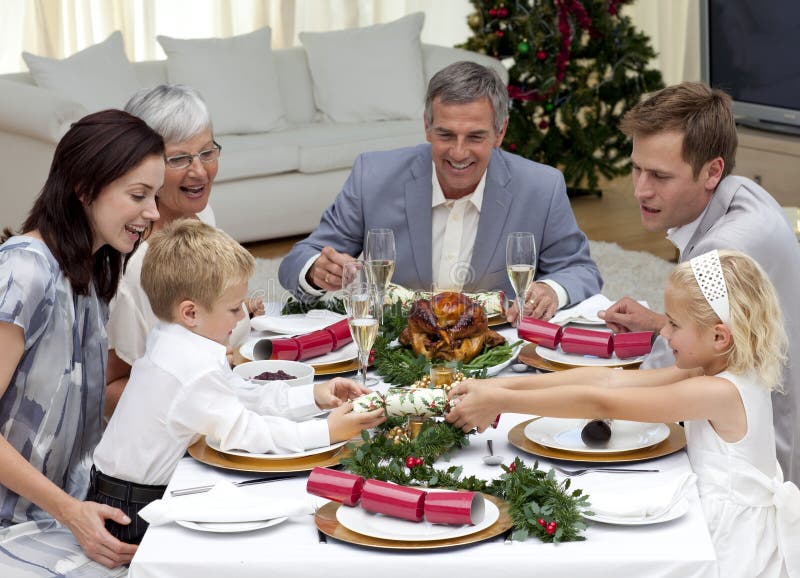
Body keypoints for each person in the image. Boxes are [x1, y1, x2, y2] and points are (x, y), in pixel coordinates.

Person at [447, 250, 800, 578]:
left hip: (731, 544)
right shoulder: (711, 368)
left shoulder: (718, 390)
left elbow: (603, 403)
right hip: (709, 510)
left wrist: (503, 403)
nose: (662, 331)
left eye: (674, 325)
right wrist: (499, 389)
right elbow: (609, 382)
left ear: (720, 337)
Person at [90, 219, 385, 544]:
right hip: (132, 510)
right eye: (233, 309)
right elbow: (247, 433)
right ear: (190, 313)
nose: (242, 319)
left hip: (116, 490)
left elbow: (236, 393)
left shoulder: (174, 337)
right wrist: (327, 431)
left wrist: (313, 396)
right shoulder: (192, 365)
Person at [278, 61, 601, 323]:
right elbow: (299, 260)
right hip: (397, 342)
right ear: (427, 127)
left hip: (499, 344)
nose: (459, 153)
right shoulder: (373, 175)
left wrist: (550, 289)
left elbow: (580, 269)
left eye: (475, 137)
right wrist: (317, 271)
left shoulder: (541, 186)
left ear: (500, 132)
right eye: (445, 134)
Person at [597, 82, 800, 484]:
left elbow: (654, 387)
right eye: (637, 168)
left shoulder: (721, 248)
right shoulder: (743, 195)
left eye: (660, 176)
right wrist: (663, 324)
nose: (640, 189)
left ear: (713, 171)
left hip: (757, 453)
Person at [0, 110, 163, 569]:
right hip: (18, 522)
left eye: (154, 195)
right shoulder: (23, 273)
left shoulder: (92, 274)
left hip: (68, 504)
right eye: (138, 195)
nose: (153, 213)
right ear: (85, 187)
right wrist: (71, 513)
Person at [105, 84, 263, 418]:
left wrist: (230, 309)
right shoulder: (137, 264)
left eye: (208, 153)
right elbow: (109, 390)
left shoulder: (201, 216)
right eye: (179, 159)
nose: (200, 171)